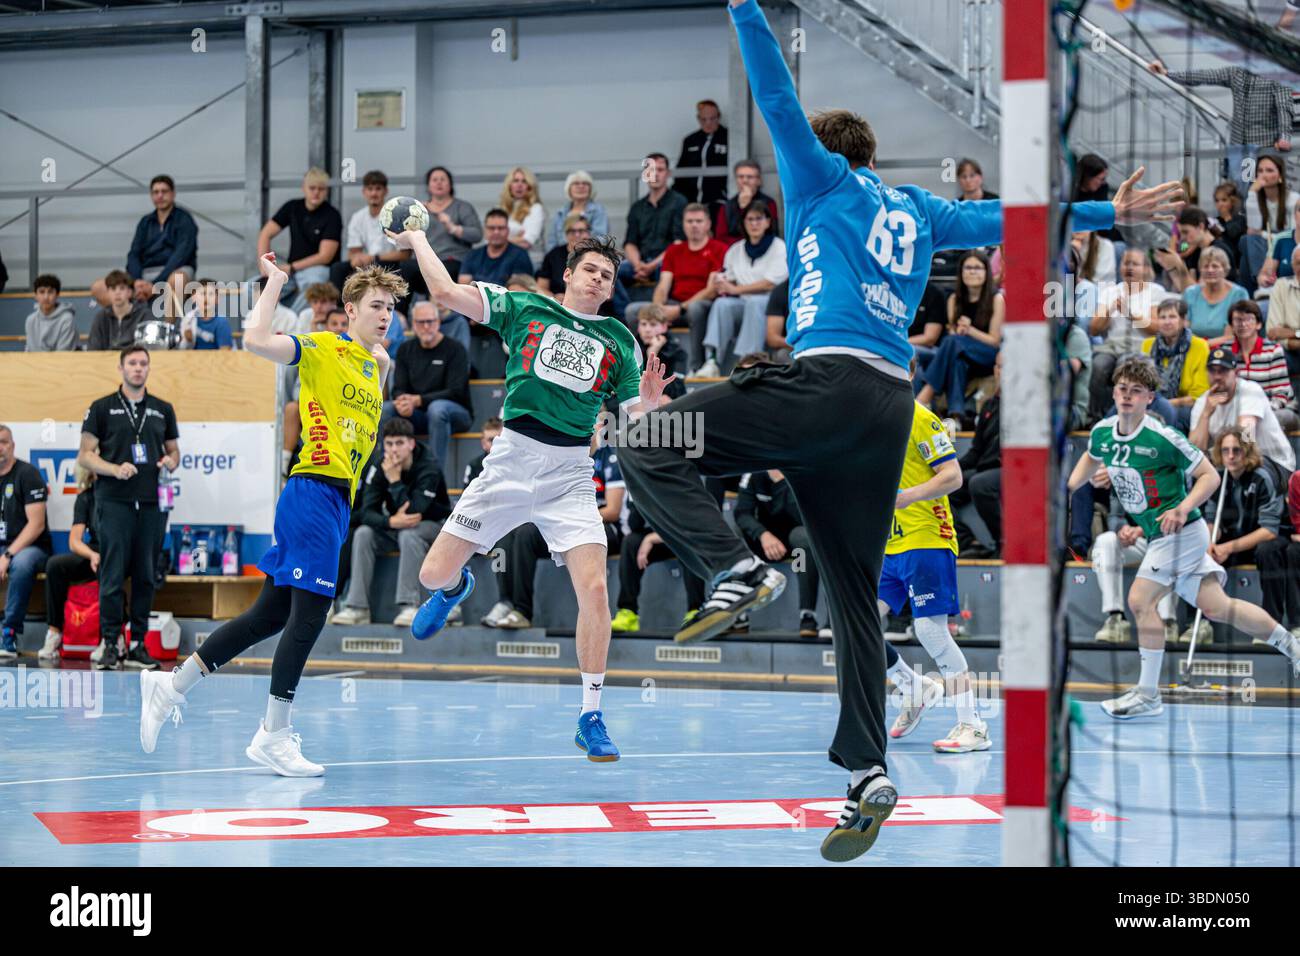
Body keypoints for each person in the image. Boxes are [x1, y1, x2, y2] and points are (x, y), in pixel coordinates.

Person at [613, 0, 1179, 864]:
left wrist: (743, 7)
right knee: (851, 598)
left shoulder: (821, 178)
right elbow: (1020, 220)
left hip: (827, 379)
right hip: (888, 411)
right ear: (878, 157)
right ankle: (869, 774)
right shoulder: (918, 211)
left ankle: (731, 567)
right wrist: (1104, 214)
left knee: (647, 443)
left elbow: (773, 94)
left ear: (832, 157)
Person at [390, 222, 675, 766]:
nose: (597, 280)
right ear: (568, 275)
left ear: (613, 289)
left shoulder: (618, 340)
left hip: (569, 473)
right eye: (589, 270)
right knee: (431, 575)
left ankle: (590, 714)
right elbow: (447, 295)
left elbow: (636, 411)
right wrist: (420, 240)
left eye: (607, 276)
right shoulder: (524, 307)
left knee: (594, 589)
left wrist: (653, 403)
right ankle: (454, 591)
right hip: (511, 462)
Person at [138, 259, 401, 776]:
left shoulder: (380, 364)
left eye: (391, 308)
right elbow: (255, 337)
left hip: (336, 501)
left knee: (269, 617)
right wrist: (275, 284)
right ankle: (273, 734)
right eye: (376, 306)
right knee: (308, 618)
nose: (386, 315)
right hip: (311, 493)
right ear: (349, 311)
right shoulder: (324, 347)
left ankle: (170, 687)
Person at [1067, 357, 1300, 719]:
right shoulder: (1103, 431)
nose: (1127, 396)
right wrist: (1076, 483)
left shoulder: (1163, 437)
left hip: (1181, 532)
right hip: (1155, 533)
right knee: (1217, 607)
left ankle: (1148, 694)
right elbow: (1092, 458)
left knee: (1140, 600)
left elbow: (1210, 476)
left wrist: (1182, 507)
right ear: (1113, 392)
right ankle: (1293, 646)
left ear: (1149, 398)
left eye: (1136, 391)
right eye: (1122, 389)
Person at [877, 394, 990, 753]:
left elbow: (953, 476)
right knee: (856, 623)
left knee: (930, 629)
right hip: (888, 543)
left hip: (926, 536)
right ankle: (913, 686)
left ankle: (973, 726)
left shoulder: (921, 418)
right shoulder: (867, 417)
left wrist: (908, 496)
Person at [77, 346, 179, 671]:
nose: (138, 369)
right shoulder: (102, 407)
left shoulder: (163, 408)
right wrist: (113, 468)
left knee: (146, 575)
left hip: (151, 503)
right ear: (121, 368)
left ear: (149, 368)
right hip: (114, 500)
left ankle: (137, 643)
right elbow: (85, 455)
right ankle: (110, 643)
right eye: (132, 363)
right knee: (111, 575)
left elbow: (175, 451)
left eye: (143, 363)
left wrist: (169, 461)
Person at [482, 433, 626, 630]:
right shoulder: (565, 458)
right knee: (521, 534)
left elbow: (613, 510)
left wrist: (569, 518)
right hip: (568, 524)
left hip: (604, 527)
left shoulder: (610, 458)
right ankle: (516, 608)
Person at [330, 418, 452, 628]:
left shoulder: (428, 466)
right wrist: (389, 521)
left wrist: (394, 481)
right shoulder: (380, 464)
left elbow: (414, 511)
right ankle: (357, 608)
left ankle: (409, 605)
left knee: (409, 533)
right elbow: (366, 512)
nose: (393, 450)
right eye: (389, 444)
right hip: (397, 526)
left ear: (411, 444)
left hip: (433, 526)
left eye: (399, 443)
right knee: (363, 533)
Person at [626, 203, 727, 370]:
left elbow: (711, 291)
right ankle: (637, 364)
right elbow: (663, 285)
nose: (694, 225)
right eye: (689, 221)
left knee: (696, 308)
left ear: (708, 224)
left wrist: (680, 309)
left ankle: (696, 367)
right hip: (674, 304)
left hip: (701, 306)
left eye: (699, 221)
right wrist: (658, 309)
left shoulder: (719, 249)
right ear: (683, 224)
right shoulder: (674, 250)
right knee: (633, 310)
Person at [695, 200, 788, 376]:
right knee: (722, 305)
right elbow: (728, 277)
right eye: (750, 219)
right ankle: (712, 361)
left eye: (759, 219)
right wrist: (720, 281)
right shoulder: (735, 250)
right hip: (742, 305)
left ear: (768, 222)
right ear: (743, 223)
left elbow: (770, 283)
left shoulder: (779, 247)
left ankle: (747, 361)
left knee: (755, 302)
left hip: (770, 305)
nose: (754, 223)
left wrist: (735, 290)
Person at [915, 249, 1003, 428]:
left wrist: (969, 330)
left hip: (986, 353)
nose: (972, 272)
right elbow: (953, 334)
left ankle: (925, 395)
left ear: (986, 271)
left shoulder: (996, 299)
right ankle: (956, 417)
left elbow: (995, 340)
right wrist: (959, 331)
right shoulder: (954, 299)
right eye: (967, 267)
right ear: (961, 272)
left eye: (977, 268)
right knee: (955, 359)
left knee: (952, 343)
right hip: (960, 351)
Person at [90, 176, 197, 319]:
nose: (160, 195)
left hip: (174, 271)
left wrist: (155, 284)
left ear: (173, 193)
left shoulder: (184, 220)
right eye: (155, 192)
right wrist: (136, 281)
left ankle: (166, 333)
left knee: (177, 279)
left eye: (164, 191)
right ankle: (125, 326)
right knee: (98, 287)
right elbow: (133, 254)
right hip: (144, 274)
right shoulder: (145, 222)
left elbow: (181, 255)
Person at [382, 301, 472, 470]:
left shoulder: (455, 349)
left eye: (430, 321)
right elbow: (398, 387)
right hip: (417, 414)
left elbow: (456, 391)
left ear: (438, 322)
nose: (426, 327)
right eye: (420, 322)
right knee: (386, 409)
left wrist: (418, 400)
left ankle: (434, 477)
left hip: (455, 414)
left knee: (437, 410)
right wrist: (402, 401)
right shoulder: (405, 349)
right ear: (413, 324)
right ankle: (382, 472)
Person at [734, 469, 824, 637]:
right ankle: (739, 613)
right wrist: (763, 534)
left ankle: (807, 615)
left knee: (804, 539)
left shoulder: (800, 470)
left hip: (793, 544)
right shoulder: (753, 473)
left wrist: (783, 482)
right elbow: (742, 513)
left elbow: (805, 517)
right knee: (736, 536)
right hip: (763, 541)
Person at [1086, 247, 1167, 423]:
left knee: (1125, 369)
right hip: (1111, 346)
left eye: (1135, 264)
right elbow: (1093, 329)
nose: (1129, 268)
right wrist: (1109, 311)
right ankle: (1096, 419)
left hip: (1141, 346)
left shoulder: (1155, 291)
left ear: (1146, 268)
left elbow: (1157, 328)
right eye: (1125, 263)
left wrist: (1130, 313)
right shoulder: (1110, 291)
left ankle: (1122, 418)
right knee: (1098, 366)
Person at [1190, 345, 1296, 470]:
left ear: (1235, 373)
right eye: (1212, 371)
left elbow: (1246, 438)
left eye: (1223, 371)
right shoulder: (1203, 402)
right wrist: (1205, 415)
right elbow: (1195, 452)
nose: (1217, 376)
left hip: (1273, 462)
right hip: (1231, 464)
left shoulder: (1250, 391)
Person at [610, 498, 707, 633]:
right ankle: (628, 612)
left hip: (686, 532)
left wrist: (652, 538)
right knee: (630, 543)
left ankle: (695, 611)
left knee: (691, 546)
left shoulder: (674, 479)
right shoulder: (639, 482)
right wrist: (636, 494)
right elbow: (635, 524)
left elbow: (690, 521)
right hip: (663, 534)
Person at [256, 167, 343, 312]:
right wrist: (263, 265)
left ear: (326, 191)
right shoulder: (292, 207)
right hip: (291, 271)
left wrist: (292, 267)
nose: (316, 192)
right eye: (312, 188)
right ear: (304, 188)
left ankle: (292, 324)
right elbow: (265, 233)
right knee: (253, 286)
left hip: (316, 269)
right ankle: (261, 324)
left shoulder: (332, 215)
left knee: (313, 284)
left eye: (321, 189)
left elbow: (325, 256)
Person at [37, 467, 99, 662]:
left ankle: (110, 638)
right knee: (55, 566)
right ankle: (54, 633)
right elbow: (74, 541)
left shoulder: (122, 495)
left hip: (121, 551)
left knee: (110, 565)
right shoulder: (86, 498)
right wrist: (92, 555)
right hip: (96, 551)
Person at [0, 425, 52, 659]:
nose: (0, 448)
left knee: (20, 564)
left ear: (13, 446)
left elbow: (36, 524)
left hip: (32, 547)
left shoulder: (27, 474)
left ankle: (9, 633)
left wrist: (7, 556)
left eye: (4, 442)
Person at [399, 166, 481, 289]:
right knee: (405, 268)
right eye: (434, 180)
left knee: (445, 272)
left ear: (450, 185)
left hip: (453, 260)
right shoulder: (419, 210)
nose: (439, 182)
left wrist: (453, 228)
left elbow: (477, 235)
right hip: (424, 260)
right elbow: (405, 240)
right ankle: (398, 309)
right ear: (428, 186)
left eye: (443, 179)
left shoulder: (463, 207)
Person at [1225, 298, 1300, 430]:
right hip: (1239, 410)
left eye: (1248, 319)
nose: (1243, 324)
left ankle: (1248, 449)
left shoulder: (1272, 350)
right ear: (1231, 326)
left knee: (1252, 422)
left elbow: (1281, 393)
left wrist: (1257, 411)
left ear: (1258, 324)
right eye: (1238, 320)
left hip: (1277, 409)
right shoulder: (1226, 351)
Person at [330, 170, 411, 292]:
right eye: (370, 189)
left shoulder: (396, 215)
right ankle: (339, 308)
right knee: (338, 268)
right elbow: (354, 252)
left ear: (385, 191)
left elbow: (405, 254)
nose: (374, 193)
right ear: (364, 192)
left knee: (400, 267)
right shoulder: (358, 217)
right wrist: (356, 259)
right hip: (366, 264)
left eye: (378, 189)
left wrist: (374, 257)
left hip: (391, 263)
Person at [1140, 297, 1210, 432]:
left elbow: (1198, 396)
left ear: (1183, 321)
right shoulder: (1147, 345)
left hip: (1184, 406)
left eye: (1172, 317)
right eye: (1162, 317)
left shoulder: (1199, 346)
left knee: (1170, 416)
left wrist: (1161, 405)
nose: (1167, 322)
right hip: (1151, 403)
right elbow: (1142, 384)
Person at [621, 153, 688, 287]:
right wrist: (638, 266)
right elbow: (630, 243)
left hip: (667, 261)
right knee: (611, 271)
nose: (655, 174)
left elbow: (678, 243)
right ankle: (625, 308)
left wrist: (651, 265)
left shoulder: (679, 202)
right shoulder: (637, 207)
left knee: (664, 270)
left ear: (668, 173)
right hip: (640, 262)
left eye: (660, 170)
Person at [1256, 470, 1300, 638]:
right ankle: (1271, 624)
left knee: (1295, 552)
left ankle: (1297, 623)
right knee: (1268, 551)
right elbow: (1297, 517)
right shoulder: (1297, 479)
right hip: (1294, 535)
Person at [674, 99, 730, 208]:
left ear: (719, 117)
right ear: (698, 119)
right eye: (704, 119)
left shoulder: (729, 138)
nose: (708, 123)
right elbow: (681, 170)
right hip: (691, 201)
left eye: (712, 118)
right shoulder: (690, 140)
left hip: (719, 201)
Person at [713, 160, 780, 246]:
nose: (745, 181)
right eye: (741, 177)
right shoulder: (726, 207)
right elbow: (721, 238)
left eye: (750, 177)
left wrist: (746, 207)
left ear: (758, 180)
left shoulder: (769, 203)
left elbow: (772, 233)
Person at [546, 171, 610, 251]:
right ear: (569, 188)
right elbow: (551, 242)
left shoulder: (598, 211)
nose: (581, 186)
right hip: (561, 258)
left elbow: (601, 240)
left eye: (585, 183)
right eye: (576, 183)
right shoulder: (560, 213)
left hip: (589, 256)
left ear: (591, 188)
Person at [88, 270, 150, 351]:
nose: (117, 293)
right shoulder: (101, 317)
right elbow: (93, 348)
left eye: (122, 288)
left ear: (129, 292)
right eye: (113, 289)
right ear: (108, 293)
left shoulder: (143, 315)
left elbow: (147, 348)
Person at [1264, 243, 1300, 376]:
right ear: (1292, 265)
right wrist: (1297, 334)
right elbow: (1272, 333)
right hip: (1288, 352)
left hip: (1289, 344)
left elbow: (1280, 333)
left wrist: (1287, 332)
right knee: (1274, 354)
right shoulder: (1281, 286)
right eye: (1298, 263)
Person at [25, 274, 77, 352]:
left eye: (50, 292)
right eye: (42, 292)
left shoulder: (67, 319)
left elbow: (64, 354)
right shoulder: (30, 320)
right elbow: (29, 350)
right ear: (35, 295)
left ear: (57, 295)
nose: (46, 297)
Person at [499, 166, 545, 253]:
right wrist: (517, 238)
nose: (519, 185)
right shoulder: (500, 209)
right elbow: (489, 241)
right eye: (515, 181)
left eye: (524, 181)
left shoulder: (536, 208)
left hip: (529, 261)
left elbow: (527, 242)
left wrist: (502, 239)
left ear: (529, 186)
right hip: (504, 260)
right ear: (509, 185)